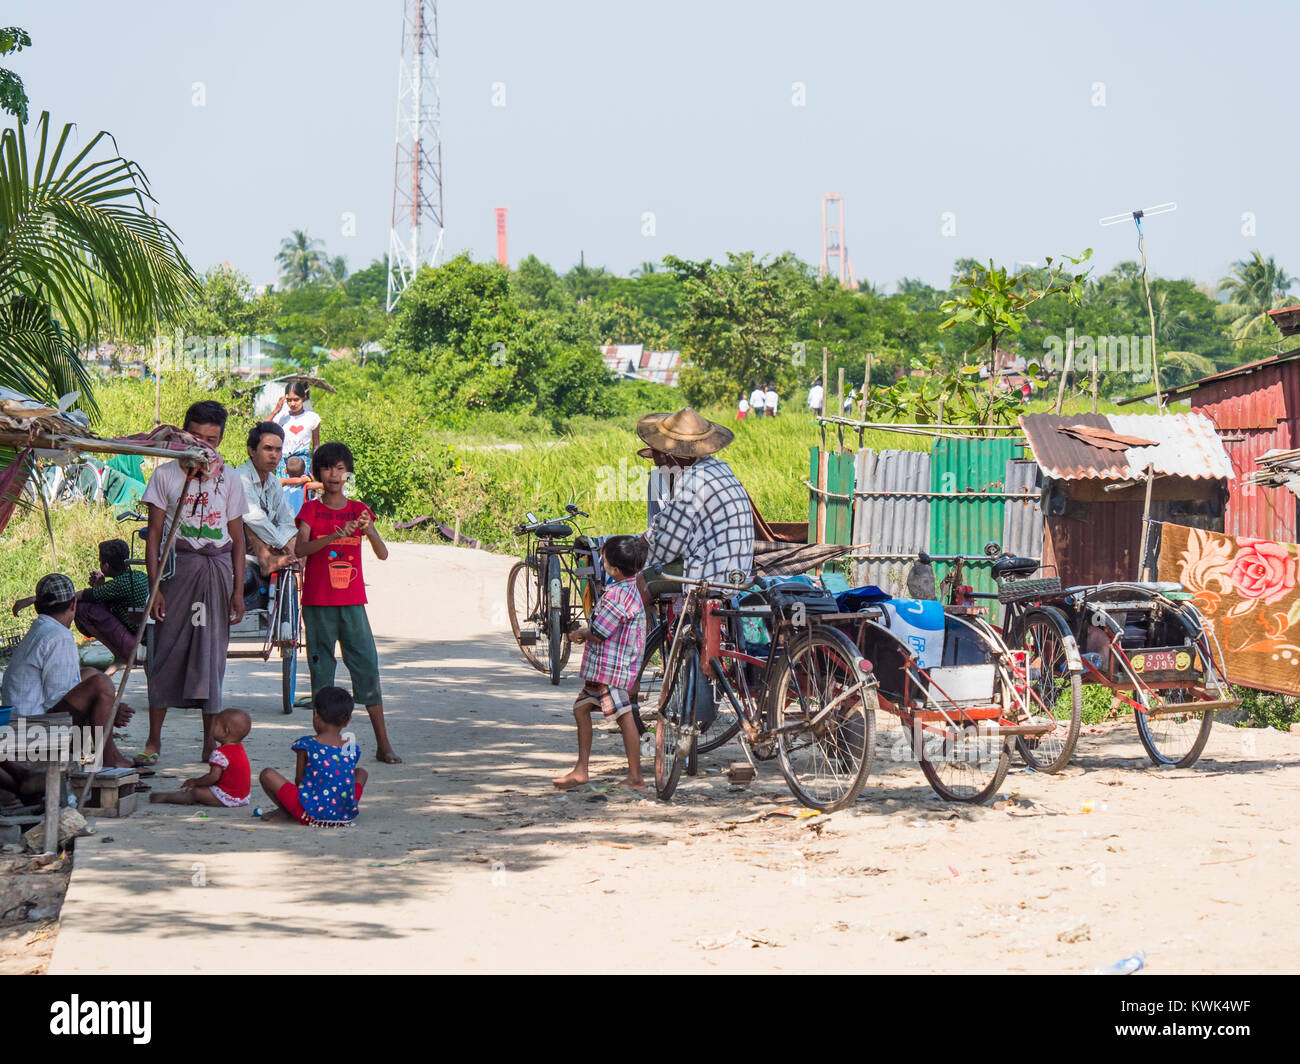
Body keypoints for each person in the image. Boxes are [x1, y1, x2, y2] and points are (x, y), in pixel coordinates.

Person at [139, 400, 248, 766]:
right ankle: (154, 739)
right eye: (196, 437)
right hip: (177, 571)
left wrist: (237, 591)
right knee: (165, 650)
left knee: (210, 655)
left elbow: (237, 538)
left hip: (215, 572)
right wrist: (154, 588)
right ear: (183, 434)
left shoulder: (229, 478)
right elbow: (153, 536)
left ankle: (210, 743)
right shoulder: (166, 475)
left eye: (211, 439)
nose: (203, 446)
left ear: (221, 439)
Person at [295, 442, 400, 764]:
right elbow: (301, 550)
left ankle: (384, 744)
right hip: (317, 602)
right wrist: (333, 535)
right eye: (327, 468)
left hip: (353, 602)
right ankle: (322, 747)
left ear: (347, 472)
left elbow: (382, 554)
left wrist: (369, 532)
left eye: (340, 468)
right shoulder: (310, 510)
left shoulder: (360, 510)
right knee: (321, 672)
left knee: (367, 667)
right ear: (318, 473)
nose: (334, 475)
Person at [0, 574, 135, 770]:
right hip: (30, 731)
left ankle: (103, 751)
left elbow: (68, 689)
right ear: (73, 604)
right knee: (101, 684)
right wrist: (109, 710)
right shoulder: (59, 636)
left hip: (21, 722)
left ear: (38, 607)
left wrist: (108, 706)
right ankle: (109, 758)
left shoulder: (42, 628)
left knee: (89, 674)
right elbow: (57, 698)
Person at [552, 536, 649, 792]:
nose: (601, 562)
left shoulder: (616, 595)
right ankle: (581, 769)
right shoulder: (630, 589)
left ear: (614, 569)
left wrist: (581, 632)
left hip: (611, 671)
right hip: (609, 668)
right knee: (582, 709)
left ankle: (636, 776)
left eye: (604, 559)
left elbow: (600, 632)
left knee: (624, 717)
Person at [638, 408, 755, 584]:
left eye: (656, 453)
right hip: (737, 568)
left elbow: (668, 548)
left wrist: (637, 563)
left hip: (713, 571)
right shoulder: (720, 468)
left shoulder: (692, 481)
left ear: (667, 454)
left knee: (643, 581)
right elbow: (670, 519)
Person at [11, 539, 147, 665]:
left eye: (101, 562)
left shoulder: (118, 585)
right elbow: (107, 599)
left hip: (140, 639)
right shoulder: (138, 575)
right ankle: (121, 655)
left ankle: (120, 656)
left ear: (106, 565)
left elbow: (75, 596)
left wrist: (34, 599)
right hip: (146, 634)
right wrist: (100, 587)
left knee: (82, 608)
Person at [256, 685, 368, 826]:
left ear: (316, 714)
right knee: (361, 773)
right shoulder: (351, 747)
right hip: (344, 814)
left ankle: (286, 811)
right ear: (347, 721)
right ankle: (341, 807)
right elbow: (345, 776)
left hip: (309, 815)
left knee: (267, 774)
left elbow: (300, 781)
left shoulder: (306, 744)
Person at [148, 709, 251, 807]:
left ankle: (167, 797)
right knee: (204, 788)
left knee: (195, 793)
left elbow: (213, 777)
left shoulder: (220, 753)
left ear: (225, 731)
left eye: (216, 724)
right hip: (243, 797)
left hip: (227, 796)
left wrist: (196, 782)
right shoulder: (240, 749)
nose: (212, 727)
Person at [237, 421, 298, 576]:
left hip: (268, 543)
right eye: (268, 448)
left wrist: (285, 542)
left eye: (278, 450)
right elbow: (253, 518)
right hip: (238, 542)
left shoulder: (274, 482)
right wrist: (282, 543)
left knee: (298, 532)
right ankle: (266, 561)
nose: (274, 455)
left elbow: (286, 518)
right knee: (250, 520)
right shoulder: (240, 477)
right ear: (252, 451)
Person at [271, 381, 321, 476]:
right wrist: (276, 410)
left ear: (304, 398)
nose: (292, 404)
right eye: (289, 400)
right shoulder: (281, 418)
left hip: (303, 465)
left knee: (302, 489)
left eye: (296, 399)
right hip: (283, 465)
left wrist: (315, 470)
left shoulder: (313, 418)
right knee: (283, 489)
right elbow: (261, 428)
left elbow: (316, 446)